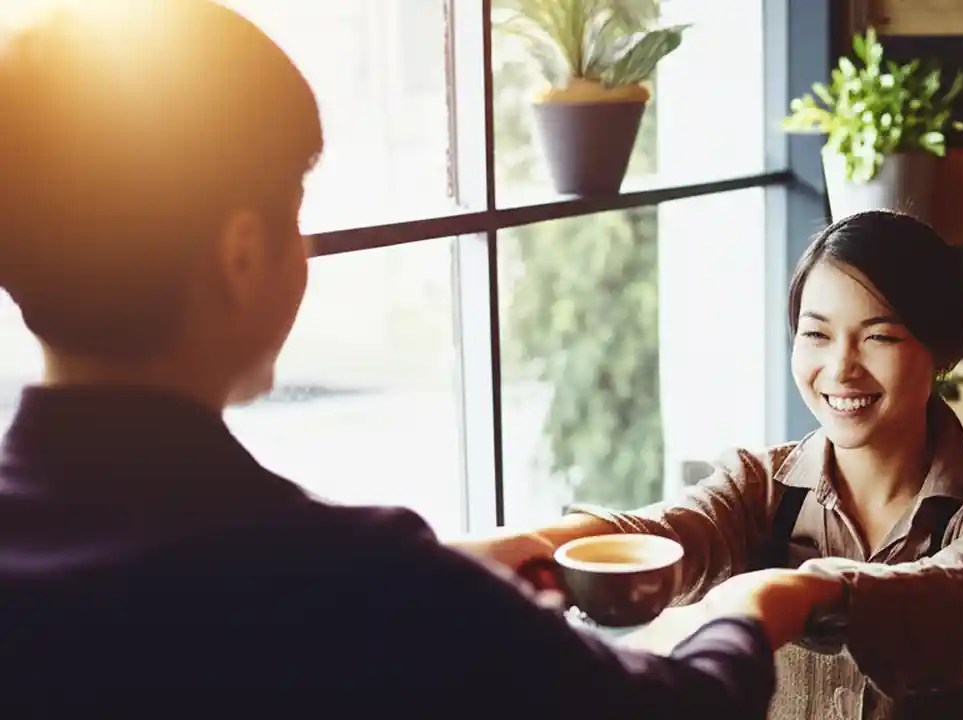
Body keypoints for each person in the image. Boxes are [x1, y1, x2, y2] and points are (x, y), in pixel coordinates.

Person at [0, 1, 842, 716]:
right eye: (297, 212)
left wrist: (449, 575)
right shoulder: (366, 584)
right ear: (241, 256)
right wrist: (749, 608)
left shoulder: (359, 583)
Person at [483, 211, 963, 718]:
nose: (841, 368)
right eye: (816, 335)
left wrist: (805, 594)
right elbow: (669, 532)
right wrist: (535, 545)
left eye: (879, 337)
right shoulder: (758, 485)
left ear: (944, 351)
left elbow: (962, 611)